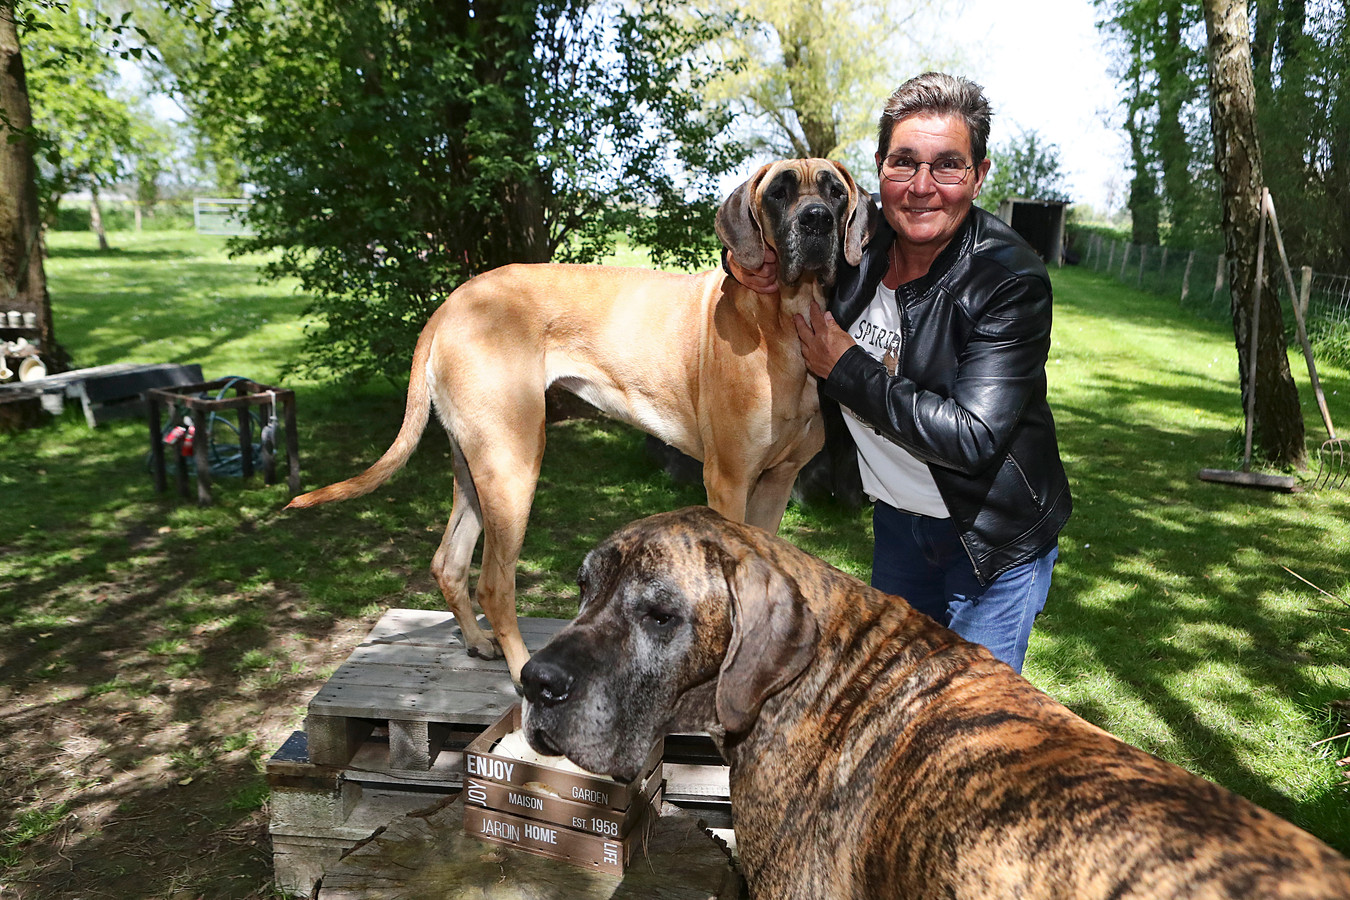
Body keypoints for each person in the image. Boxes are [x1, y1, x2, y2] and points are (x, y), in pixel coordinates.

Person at [723, 72, 1071, 674]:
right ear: (878, 169)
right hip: (898, 526)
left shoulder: (1009, 280)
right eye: (904, 163)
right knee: (900, 701)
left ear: (979, 175)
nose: (922, 188)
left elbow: (974, 438)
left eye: (948, 166)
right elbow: (765, 223)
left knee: (969, 722)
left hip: (989, 543)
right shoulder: (857, 240)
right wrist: (741, 261)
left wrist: (849, 370)